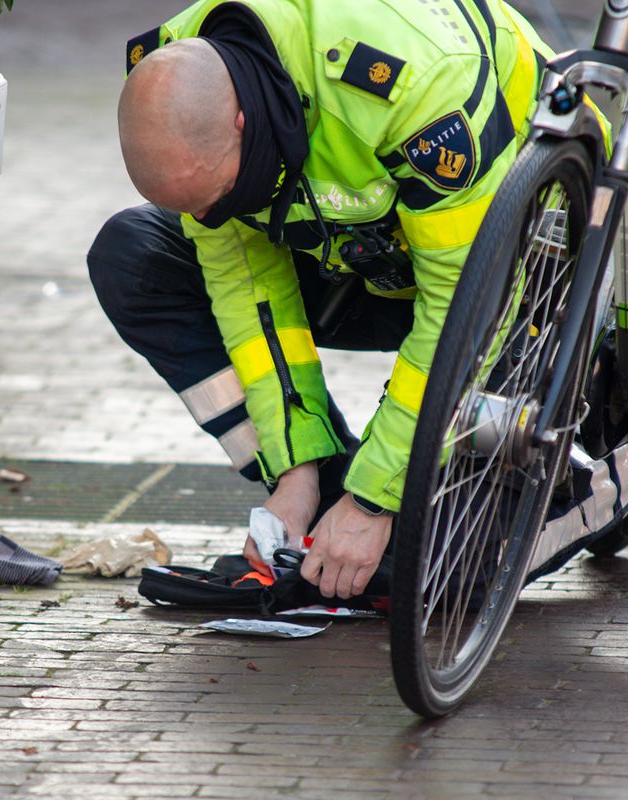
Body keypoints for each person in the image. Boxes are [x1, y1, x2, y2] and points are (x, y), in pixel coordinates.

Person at [88, 0, 556, 600]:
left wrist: (375, 499)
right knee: (134, 253)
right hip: (367, 256)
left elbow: (468, 310)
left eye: (221, 195)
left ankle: (585, 482)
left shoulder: (415, 85)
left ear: (241, 122)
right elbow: (249, 293)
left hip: (524, 277)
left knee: (441, 573)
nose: (209, 219)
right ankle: (325, 509)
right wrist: (296, 471)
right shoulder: (186, 68)